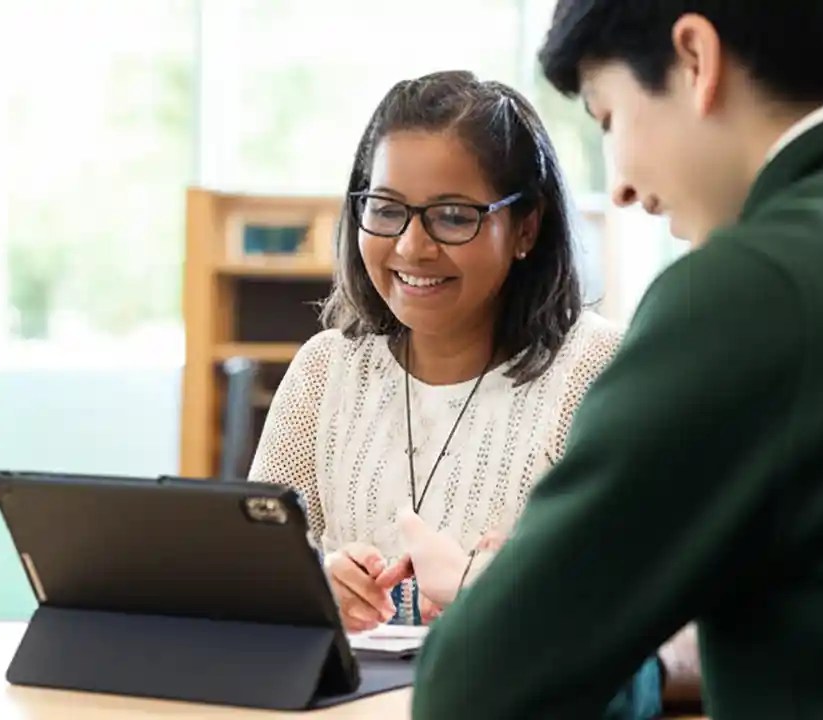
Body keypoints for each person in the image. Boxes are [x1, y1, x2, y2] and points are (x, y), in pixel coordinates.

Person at [410, 2, 823, 719]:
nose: (622, 185)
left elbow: (476, 687)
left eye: (608, 118)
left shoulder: (747, 295)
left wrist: (519, 587)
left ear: (696, 58)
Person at [246, 70, 690, 718]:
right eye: (386, 208)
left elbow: (652, 608)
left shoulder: (597, 371)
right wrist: (316, 586)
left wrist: (499, 593)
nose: (410, 246)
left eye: (453, 216)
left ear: (527, 228)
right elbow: (254, 574)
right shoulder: (326, 369)